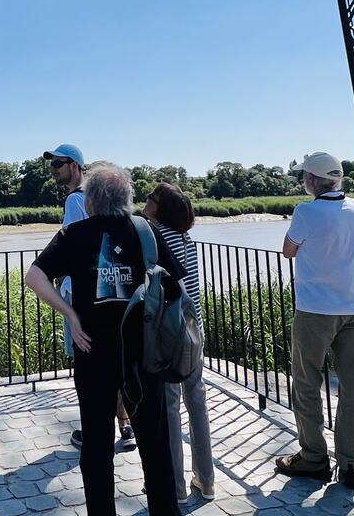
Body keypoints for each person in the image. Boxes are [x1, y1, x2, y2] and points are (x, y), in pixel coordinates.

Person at [25, 163, 180, 516]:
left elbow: (34, 277)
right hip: (143, 351)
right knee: (155, 442)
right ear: (127, 199)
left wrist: (71, 314)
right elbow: (176, 284)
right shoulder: (146, 232)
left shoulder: (74, 235)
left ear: (90, 201)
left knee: (96, 444)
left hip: (92, 350)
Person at [274, 152, 354, 490]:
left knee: (306, 383)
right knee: (352, 386)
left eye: (304, 177)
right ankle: (350, 463)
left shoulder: (306, 211)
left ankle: (313, 457)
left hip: (315, 310)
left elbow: (288, 250)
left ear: (312, 180)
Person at [44, 144, 136, 452]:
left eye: (58, 164)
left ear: (75, 166)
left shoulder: (74, 199)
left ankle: (94, 428)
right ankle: (125, 424)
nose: (53, 169)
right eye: (52, 165)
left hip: (80, 291)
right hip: (112, 286)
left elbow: (71, 243)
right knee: (117, 357)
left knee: (88, 365)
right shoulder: (103, 200)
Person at [143, 183, 215, 502]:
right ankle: (207, 479)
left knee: (170, 406)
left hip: (168, 334)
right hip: (194, 330)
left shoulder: (157, 239)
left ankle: (175, 485)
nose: (145, 203)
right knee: (197, 403)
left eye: (151, 199)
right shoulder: (187, 241)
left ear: (161, 207)